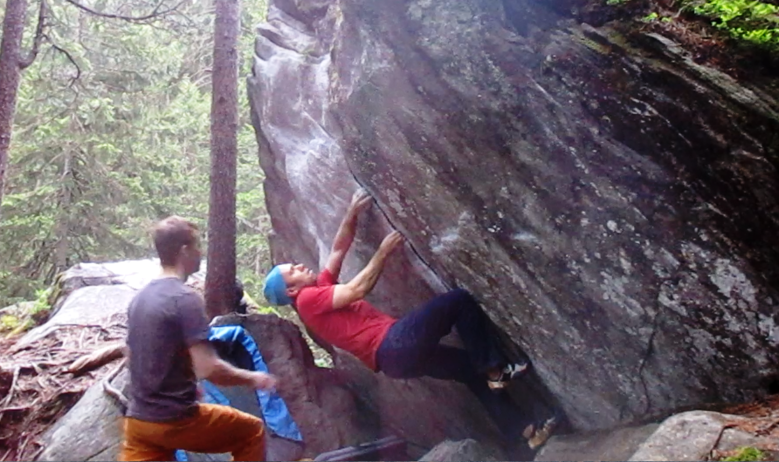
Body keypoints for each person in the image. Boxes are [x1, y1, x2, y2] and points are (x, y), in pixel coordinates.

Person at [263, 190, 545, 450]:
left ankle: (525, 432)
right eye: (294, 270)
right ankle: (495, 369)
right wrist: (383, 252)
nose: (300, 265)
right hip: (393, 344)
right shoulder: (307, 301)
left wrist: (352, 212)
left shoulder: (317, 291)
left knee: (468, 370)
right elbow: (357, 290)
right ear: (291, 290)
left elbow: (337, 250)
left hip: (395, 361)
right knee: (458, 301)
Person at [122, 216, 277, 462]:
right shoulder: (184, 298)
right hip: (175, 420)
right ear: (184, 250)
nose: (200, 253)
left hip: (139, 422)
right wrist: (254, 378)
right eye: (197, 246)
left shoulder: (140, 298)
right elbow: (209, 368)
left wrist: (181, 383)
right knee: (251, 432)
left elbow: (132, 355)